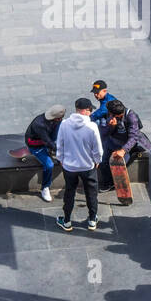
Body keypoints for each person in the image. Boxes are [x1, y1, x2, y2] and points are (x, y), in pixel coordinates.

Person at [55, 97, 102, 232]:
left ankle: (67, 221)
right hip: (88, 166)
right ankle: (92, 220)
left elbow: (60, 144)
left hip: (69, 167)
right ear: (87, 111)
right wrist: (97, 161)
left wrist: (61, 159)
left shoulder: (64, 124)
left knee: (69, 192)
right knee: (91, 193)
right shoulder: (92, 126)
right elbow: (97, 149)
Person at [98, 99, 150, 191]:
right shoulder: (108, 116)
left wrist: (123, 150)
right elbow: (103, 133)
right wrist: (111, 126)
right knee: (103, 161)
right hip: (112, 141)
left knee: (118, 164)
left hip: (126, 143)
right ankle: (109, 183)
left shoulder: (131, 116)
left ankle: (133, 152)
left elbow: (134, 136)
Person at [24, 104, 65, 201]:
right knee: (49, 165)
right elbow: (47, 141)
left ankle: (52, 149)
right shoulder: (39, 124)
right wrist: (61, 153)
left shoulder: (57, 121)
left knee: (60, 131)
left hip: (47, 139)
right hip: (36, 144)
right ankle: (45, 187)